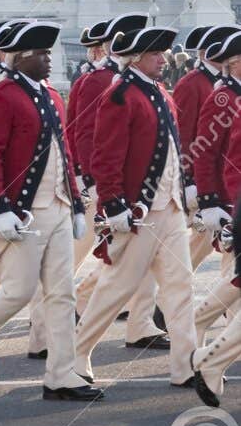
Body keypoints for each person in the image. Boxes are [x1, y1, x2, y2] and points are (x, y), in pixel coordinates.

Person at [0, 20, 102, 403]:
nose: (48, 60)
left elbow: (62, 152)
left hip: (59, 207)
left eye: (49, 52)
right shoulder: (1, 96)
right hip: (25, 211)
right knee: (18, 291)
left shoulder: (50, 94)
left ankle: (62, 375)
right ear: (20, 58)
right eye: (40, 54)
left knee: (62, 294)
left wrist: (77, 205)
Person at [73, 25, 196, 389]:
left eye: (163, 53)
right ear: (136, 58)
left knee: (181, 285)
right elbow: (107, 155)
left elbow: (171, 147)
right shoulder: (120, 95)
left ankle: (185, 364)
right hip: (140, 210)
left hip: (169, 207)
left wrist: (185, 189)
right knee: (115, 290)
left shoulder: (157, 91)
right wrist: (113, 204)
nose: (163, 59)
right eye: (156, 54)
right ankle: (73, 358)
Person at [190, 28, 241, 339]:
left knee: (232, 276)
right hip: (228, 197)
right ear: (235, 63)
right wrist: (208, 200)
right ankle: (198, 326)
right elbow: (205, 151)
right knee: (232, 278)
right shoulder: (223, 98)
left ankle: (223, 339)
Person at [173, 24, 234, 272]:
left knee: (204, 246)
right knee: (197, 247)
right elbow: (184, 136)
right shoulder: (192, 84)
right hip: (202, 180)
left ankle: (166, 299)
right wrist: (189, 180)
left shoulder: (220, 82)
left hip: (221, 178)